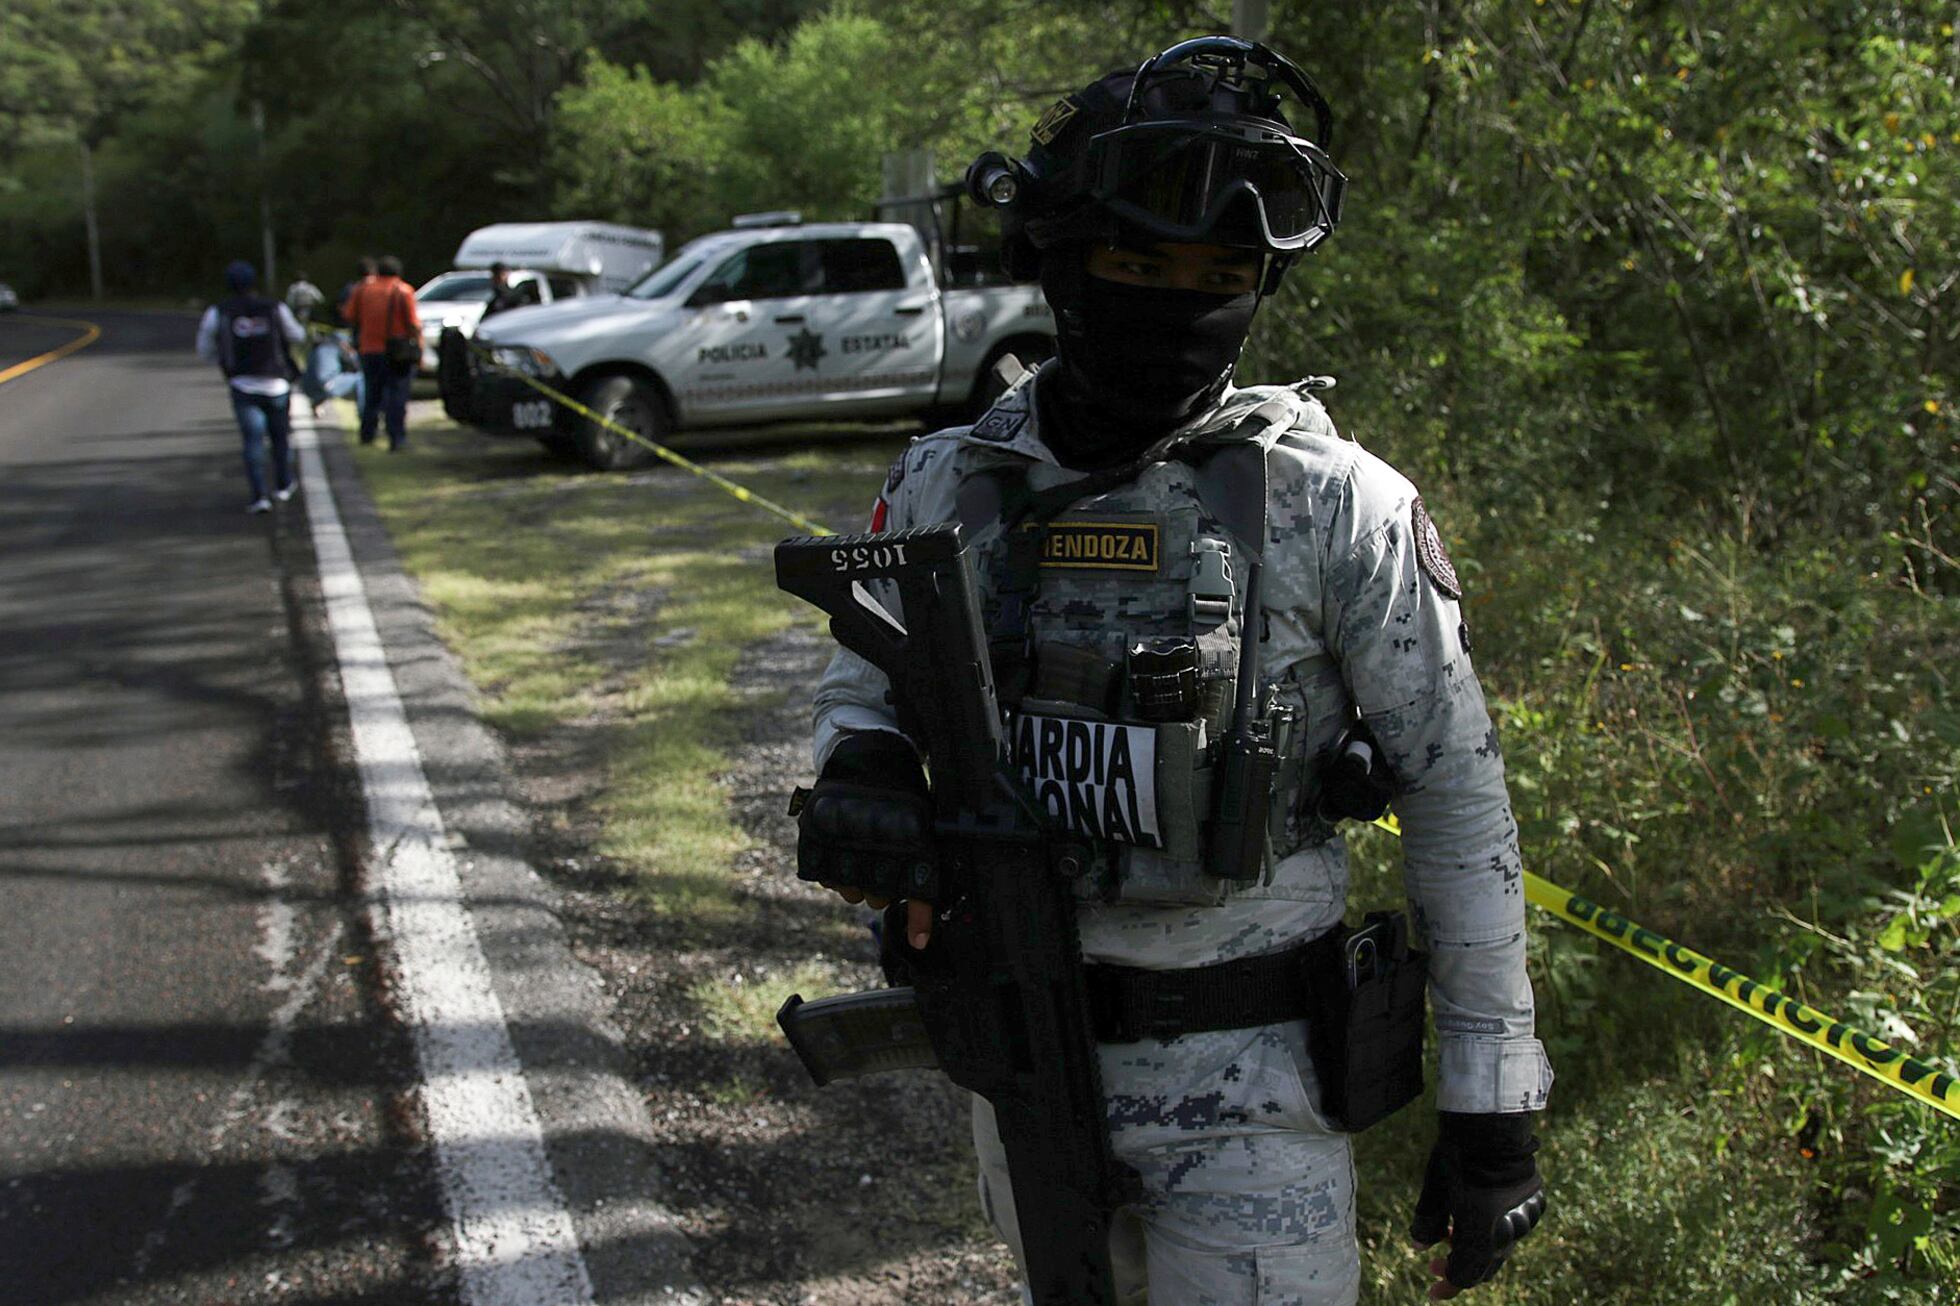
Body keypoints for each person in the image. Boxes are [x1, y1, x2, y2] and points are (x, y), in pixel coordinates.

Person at [799, 37, 1551, 1305]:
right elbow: (862, 682)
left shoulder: (1335, 505)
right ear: (1063, 261)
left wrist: (1494, 1108)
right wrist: (864, 763)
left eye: (1220, 272)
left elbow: (1456, 801)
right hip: (1025, 1059)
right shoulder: (945, 485)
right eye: (1141, 264)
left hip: (1259, 1087)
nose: (1180, 300)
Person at [195, 259, 308, 513]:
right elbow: (297, 335)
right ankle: (283, 484)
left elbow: (204, 347)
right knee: (280, 437)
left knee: (252, 440)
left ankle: (259, 496)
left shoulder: (219, 312)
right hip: (277, 383)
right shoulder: (274, 308)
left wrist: (221, 363)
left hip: (243, 384)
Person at [341, 253, 420, 450]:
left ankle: (367, 434)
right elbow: (412, 323)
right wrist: (418, 345)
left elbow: (349, 315)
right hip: (397, 351)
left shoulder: (363, 290)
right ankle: (396, 438)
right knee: (397, 394)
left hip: (369, 348)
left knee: (371, 393)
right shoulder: (403, 290)